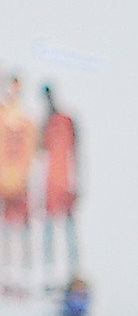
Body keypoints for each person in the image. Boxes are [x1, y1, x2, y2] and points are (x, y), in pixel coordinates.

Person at [38, 85, 78, 292]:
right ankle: (50, 276)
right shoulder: (43, 124)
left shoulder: (66, 121)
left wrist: (76, 182)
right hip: (49, 185)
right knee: (49, 231)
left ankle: (73, 275)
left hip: (65, 183)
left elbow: (76, 151)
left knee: (68, 230)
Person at [0, 75, 32, 299]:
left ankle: (21, 282)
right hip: (3, 188)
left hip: (20, 188)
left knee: (20, 235)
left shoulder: (28, 123)